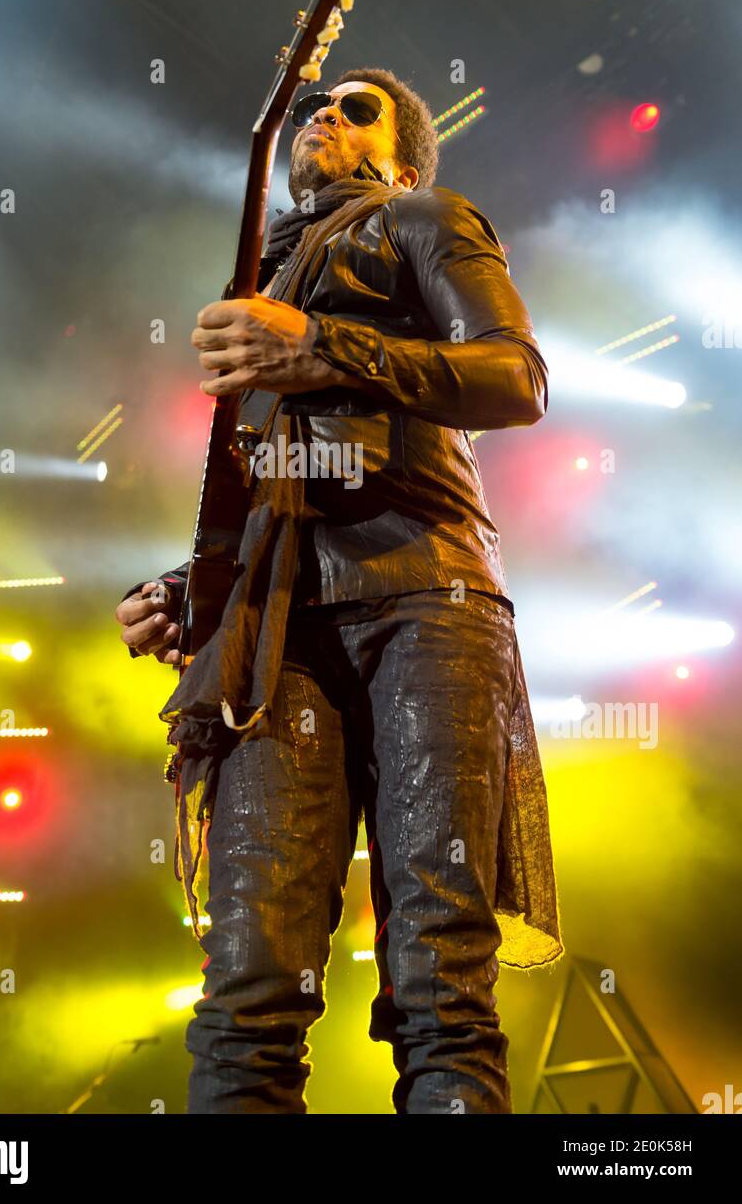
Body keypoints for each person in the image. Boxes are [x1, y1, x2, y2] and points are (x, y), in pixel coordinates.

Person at [116, 67, 563, 1114]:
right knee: (244, 991)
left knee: (438, 970)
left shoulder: (421, 216)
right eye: (317, 99)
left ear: (399, 155)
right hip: (281, 633)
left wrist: (319, 345)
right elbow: (279, 484)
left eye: (355, 106)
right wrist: (192, 590)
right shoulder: (262, 284)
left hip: (428, 599)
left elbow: (515, 379)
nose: (324, 110)